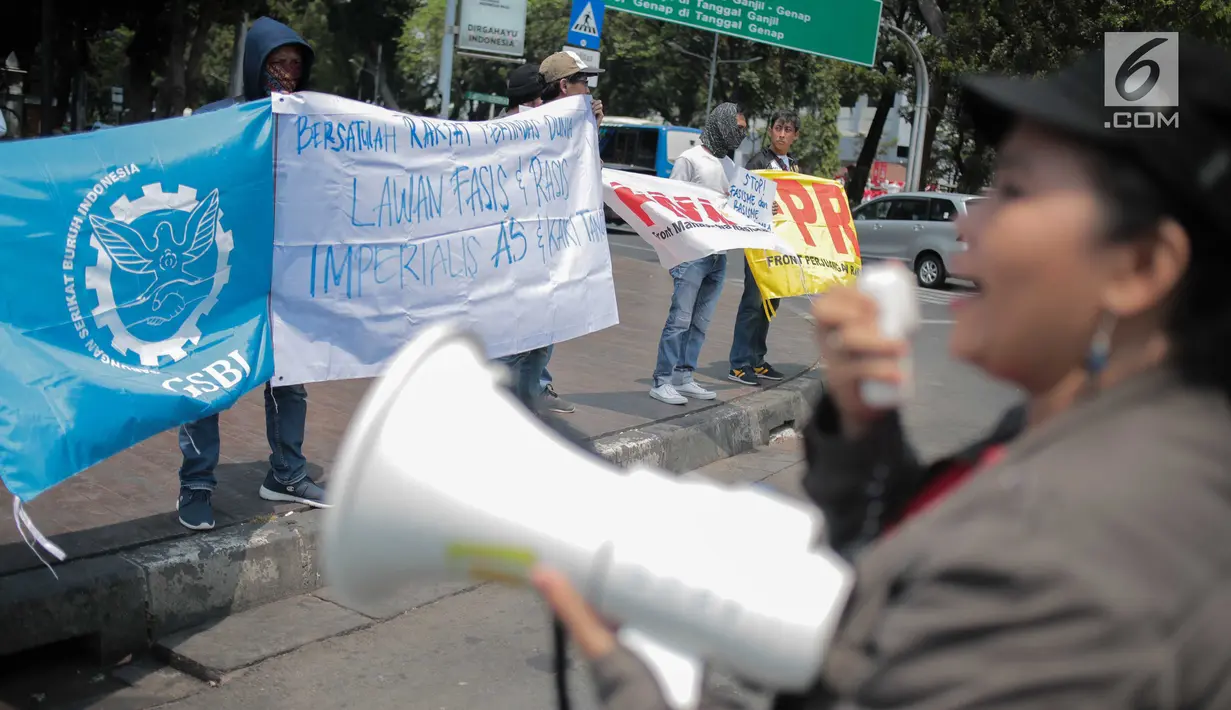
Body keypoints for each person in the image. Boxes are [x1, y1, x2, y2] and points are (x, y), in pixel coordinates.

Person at [535, 37, 1231, 708]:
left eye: (1014, 190)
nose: (969, 228)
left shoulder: (1079, 549)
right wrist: (866, 435)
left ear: (1139, 268)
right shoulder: (1093, 434)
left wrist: (647, 689)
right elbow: (909, 570)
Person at [176, 16, 327, 532]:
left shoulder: (312, 121)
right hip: (222, 279)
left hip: (283, 278)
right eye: (276, 63)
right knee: (206, 385)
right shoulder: (220, 120)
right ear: (255, 64)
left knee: (290, 380)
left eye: (294, 66)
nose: (286, 74)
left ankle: (287, 473)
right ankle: (196, 485)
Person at [649, 103, 747, 406]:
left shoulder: (730, 166)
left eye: (744, 129)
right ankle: (662, 380)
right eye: (738, 128)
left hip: (718, 256)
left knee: (700, 323)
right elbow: (669, 205)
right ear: (722, 124)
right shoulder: (689, 160)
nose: (741, 134)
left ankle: (684, 376)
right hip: (691, 256)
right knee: (679, 319)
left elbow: (738, 207)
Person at [728, 109, 800, 386]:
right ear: (770, 130)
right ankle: (738, 363)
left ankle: (757, 358)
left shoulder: (793, 165)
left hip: (779, 246)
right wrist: (762, 208)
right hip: (759, 245)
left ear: (795, 135)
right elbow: (741, 202)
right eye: (778, 128)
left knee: (770, 303)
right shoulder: (758, 162)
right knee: (752, 303)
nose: (781, 134)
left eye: (787, 129)